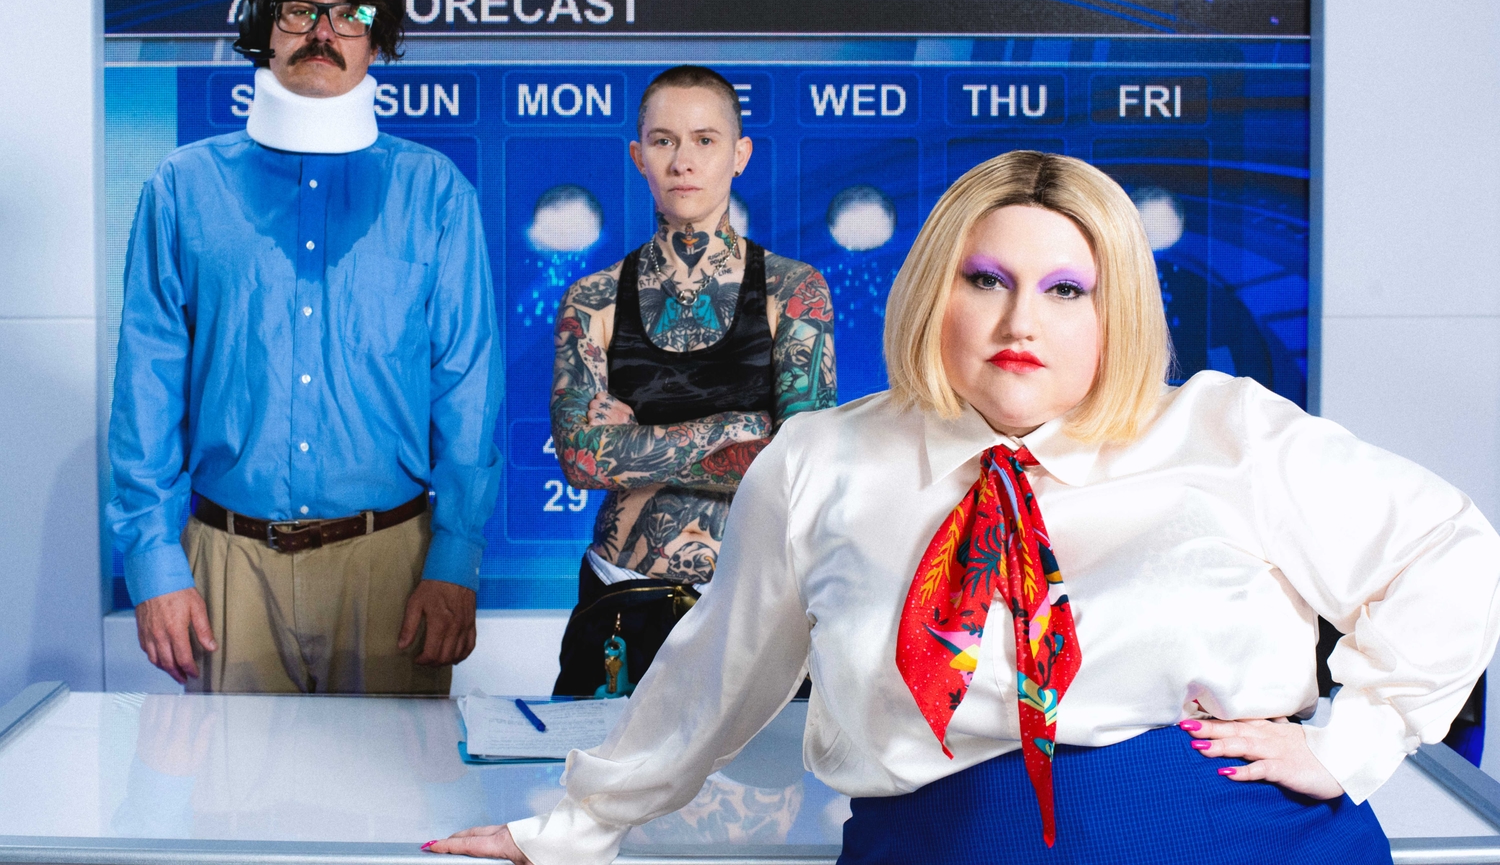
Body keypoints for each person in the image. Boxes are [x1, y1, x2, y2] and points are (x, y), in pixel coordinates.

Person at [427, 150, 1500, 864]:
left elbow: (1451, 550)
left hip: (1243, 844)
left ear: (1118, 309)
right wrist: (575, 825)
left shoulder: (1228, 431)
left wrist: (1356, 742)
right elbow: (715, 673)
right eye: (986, 280)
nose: (1020, 320)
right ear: (934, 290)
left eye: (1067, 290)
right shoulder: (823, 462)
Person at [108, 0, 502, 695]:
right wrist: (153, 560)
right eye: (299, 10)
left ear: (375, 42)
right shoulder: (182, 189)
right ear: (263, 28)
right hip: (227, 567)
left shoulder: (435, 194)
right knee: (225, 778)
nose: (323, 30)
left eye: (349, 15)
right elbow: (145, 391)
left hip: (393, 566)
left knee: (393, 779)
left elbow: (467, 389)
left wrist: (456, 558)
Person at [546, 65, 838, 698]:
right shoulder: (593, 299)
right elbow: (580, 458)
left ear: (740, 155)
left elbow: (802, 468)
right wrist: (741, 426)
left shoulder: (793, 290)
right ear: (639, 157)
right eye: (664, 141)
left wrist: (635, 442)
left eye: (705, 140)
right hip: (621, 601)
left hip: (757, 609)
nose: (683, 161)